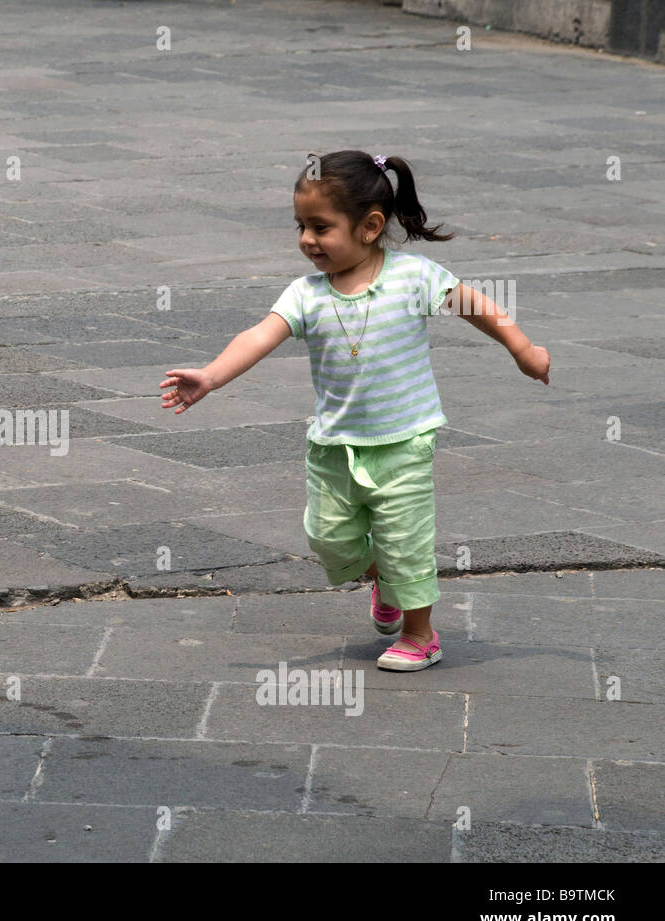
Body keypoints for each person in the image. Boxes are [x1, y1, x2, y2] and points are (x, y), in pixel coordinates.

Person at [160, 150, 550, 671]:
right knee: (328, 541)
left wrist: (521, 348)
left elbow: (476, 305)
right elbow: (258, 335)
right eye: (300, 226)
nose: (306, 240)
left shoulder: (414, 277)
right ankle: (383, 578)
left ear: (369, 227)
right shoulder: (305, 294)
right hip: (333, 448)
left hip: (404, 443)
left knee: (407, 543)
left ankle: (420, 633)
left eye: (320, 227)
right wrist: (211, 375)